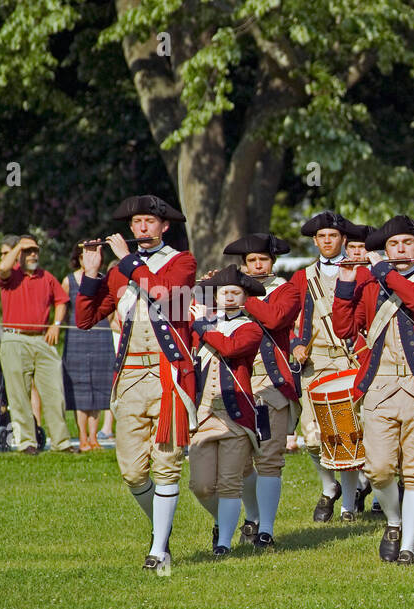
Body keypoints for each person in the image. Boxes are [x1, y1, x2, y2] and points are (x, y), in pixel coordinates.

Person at [75, 194, 197, 571]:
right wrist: (93, 273)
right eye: (136, 223)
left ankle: (159, 549)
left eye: (148, 223)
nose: (141, 229)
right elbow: (85, 319)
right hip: (129, 377)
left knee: (166, 464)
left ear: (164, 227)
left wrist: (127, 260)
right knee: (132, 472)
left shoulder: (183, 261)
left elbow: (164, 296)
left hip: (168, 375)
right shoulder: (119, 271)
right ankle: (162, 525)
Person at [332, 215, 414, 564]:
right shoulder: (369, 283)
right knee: (379, 469)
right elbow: (343, 328)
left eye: (407, 244)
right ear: (385, 249)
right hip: (379, 385)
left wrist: (382, 270)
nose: (400, 249)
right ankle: (395, 522)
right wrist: (345, 283)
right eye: (394, 245)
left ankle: (410, 546)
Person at [286, 211, 363, 523]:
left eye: (333, 236)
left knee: (346, 431)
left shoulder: (360, 272)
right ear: (315, 241)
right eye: (322, 237)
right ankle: (330, 487)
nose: (327, 241)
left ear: (343, 239)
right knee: (314, 435)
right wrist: (295, 344)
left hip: (349, 357)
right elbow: (284, 320)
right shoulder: (301, 278)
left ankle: (348, 505)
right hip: (314, 361)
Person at [223, 233, 300, 548]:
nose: (257, 266)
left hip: (270, 383)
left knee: (268, 458)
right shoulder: (227, 292)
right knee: (239, 461)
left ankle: (266, 529)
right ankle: (252, 517)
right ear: (243, 264)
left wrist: (242, 297)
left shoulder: (286, 290)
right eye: (251, 261)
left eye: (262, 260)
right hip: (236, 382)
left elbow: (275, 318)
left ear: (272, 261)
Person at [187, 267, 266, 556]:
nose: (230, 297)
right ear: (216, 296)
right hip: (203, 415)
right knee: (201, 486)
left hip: (236, 416)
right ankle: (223, 521)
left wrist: (204, 327)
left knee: (231, 483)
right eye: (225, 292)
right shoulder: (204, 323)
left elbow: (231, 349)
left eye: (236, 292)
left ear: (245, 297)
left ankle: (223, 544)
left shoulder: (251, 327)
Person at [0, 234, 76, 454]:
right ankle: (26, 443)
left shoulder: (46, 277)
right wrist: (17, 248)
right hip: (15, 339)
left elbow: (61, 301)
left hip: (41, 339)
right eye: (27, 250)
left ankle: (62, 442)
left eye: (35, 251)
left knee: (54, 393)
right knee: (18, 394)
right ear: (19, 254)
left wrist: (56, 324)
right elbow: (3, 268)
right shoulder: (10, 275)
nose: (33, 254)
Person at [61, 245, 115, 451]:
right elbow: (62, 308)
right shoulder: (69, 281)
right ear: (79, 259)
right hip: (76, 336)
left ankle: (94, 438)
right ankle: (82, 438)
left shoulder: (104, 280)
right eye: (85, 256)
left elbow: (110, 307)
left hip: (100, 335)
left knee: (99, 387)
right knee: (80, 388)